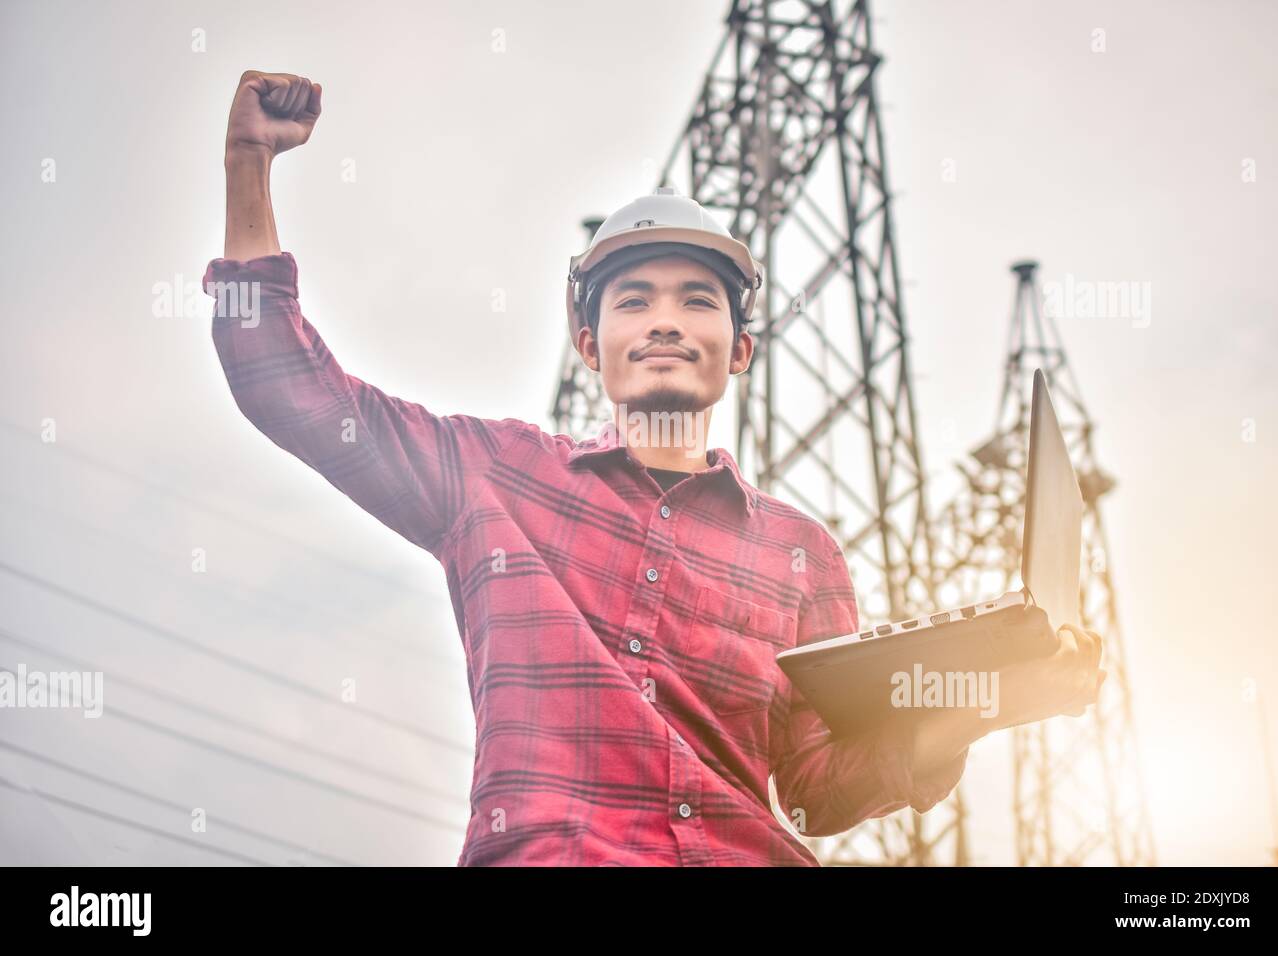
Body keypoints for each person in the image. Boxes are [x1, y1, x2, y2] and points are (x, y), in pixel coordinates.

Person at [206, 70, 1107, 866]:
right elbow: (287, 388)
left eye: (697, 301)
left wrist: (992, 697)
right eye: (634, 300)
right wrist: (249, 167)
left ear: (739, 347)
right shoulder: (492, 475)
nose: (666, 320)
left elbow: (819, 788)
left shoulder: (804, 555)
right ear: (592, 345)